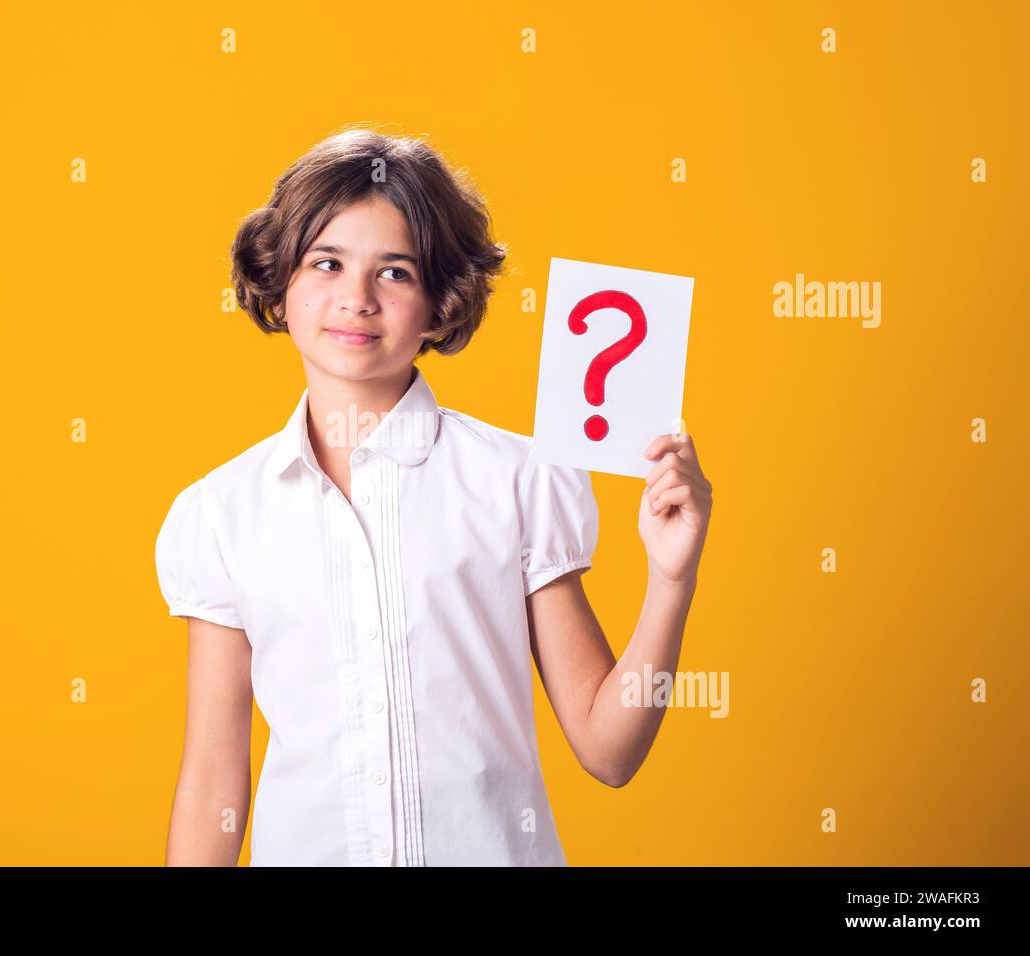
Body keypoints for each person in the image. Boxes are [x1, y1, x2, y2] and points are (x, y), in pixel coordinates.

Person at [155, 126, 712, 866]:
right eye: (327, 263)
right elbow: (214, 781)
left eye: (395, 273)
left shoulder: (518, 481)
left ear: (440, 303)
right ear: (280, 285)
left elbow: (609, 750)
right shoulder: (221, 515)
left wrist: (671, 580)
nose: (356, 298)